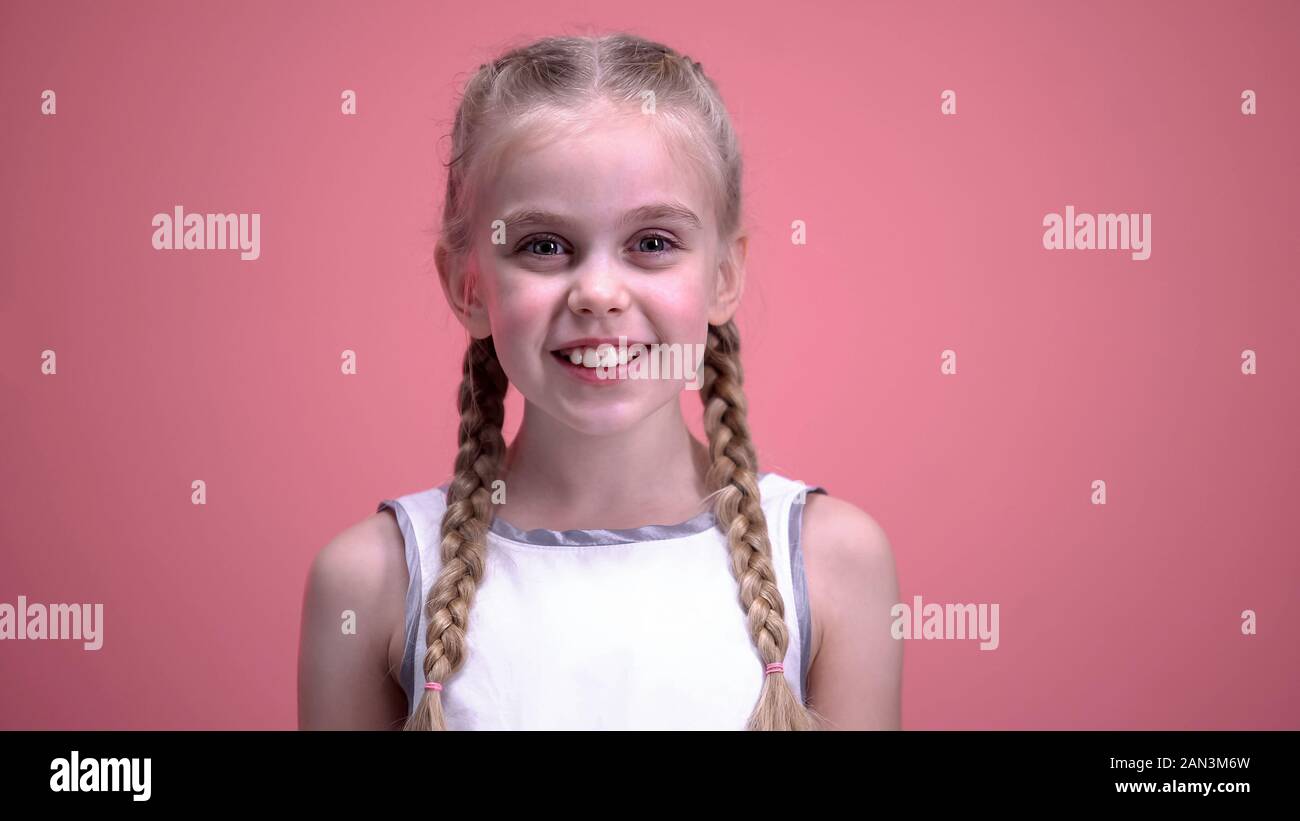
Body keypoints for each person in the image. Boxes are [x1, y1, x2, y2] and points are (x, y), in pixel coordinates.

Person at [298, 31, 901, 731]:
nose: (598, 292)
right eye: (543, 246)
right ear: (468, 285)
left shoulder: (833, 563)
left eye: (652, 243)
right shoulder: (373, 581)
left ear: (725, 275)